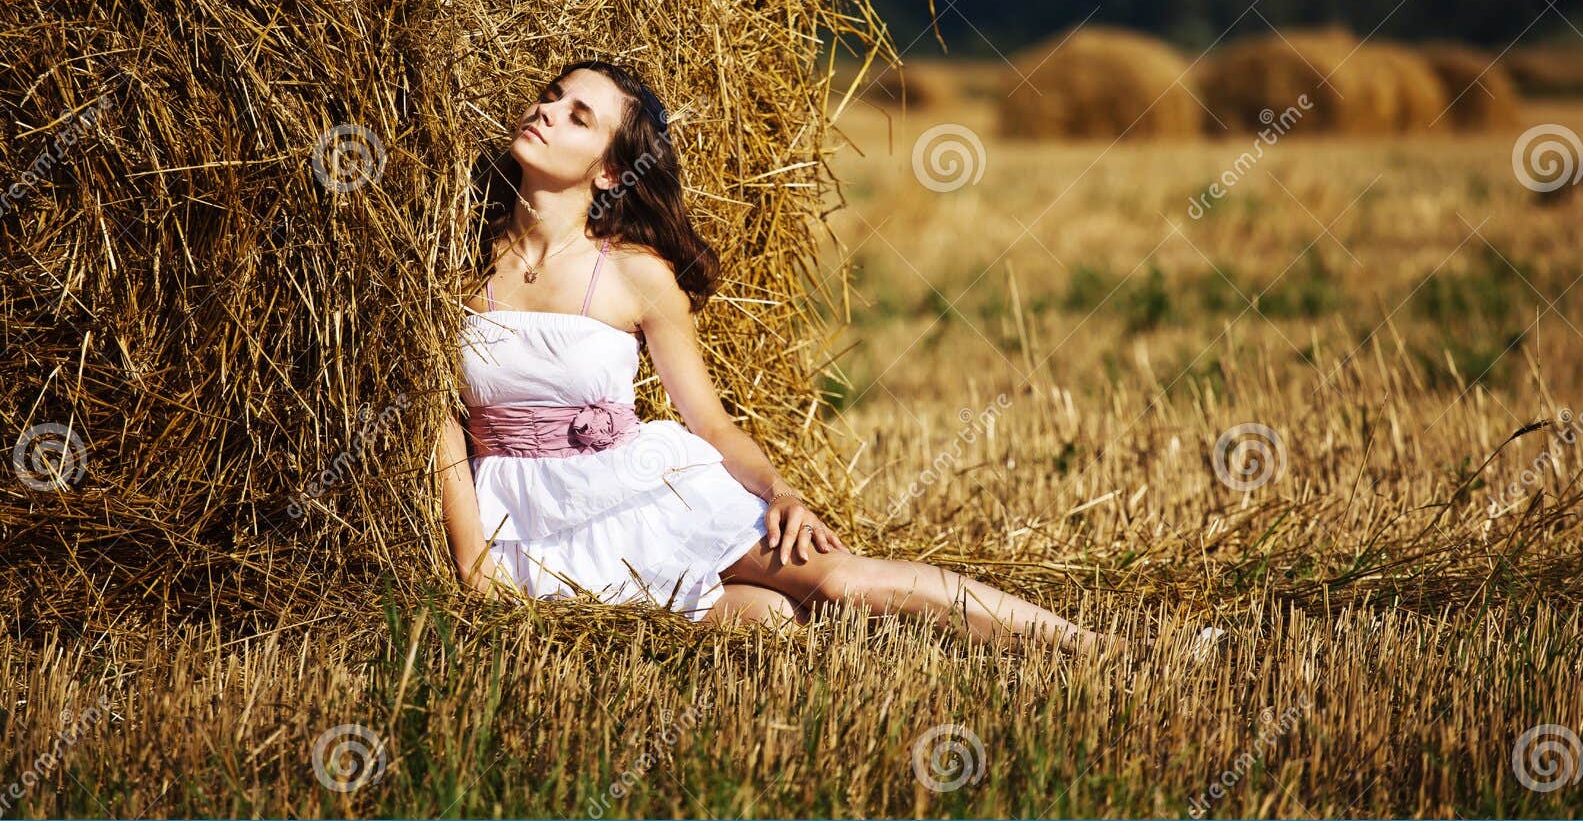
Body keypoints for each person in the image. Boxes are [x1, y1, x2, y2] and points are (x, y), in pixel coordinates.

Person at [435, 59, 1220, 661]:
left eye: (579, 115)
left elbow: (707, 419)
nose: (546, 112)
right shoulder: (449, 269)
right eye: (551, 97)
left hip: (644, 491)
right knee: (769, 624)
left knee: (841, 582)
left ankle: (1109, 651)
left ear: (611, 170)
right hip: (526, 519)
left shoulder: (638, 274)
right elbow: (443, 424)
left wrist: (782, 491)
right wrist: (473, 560)